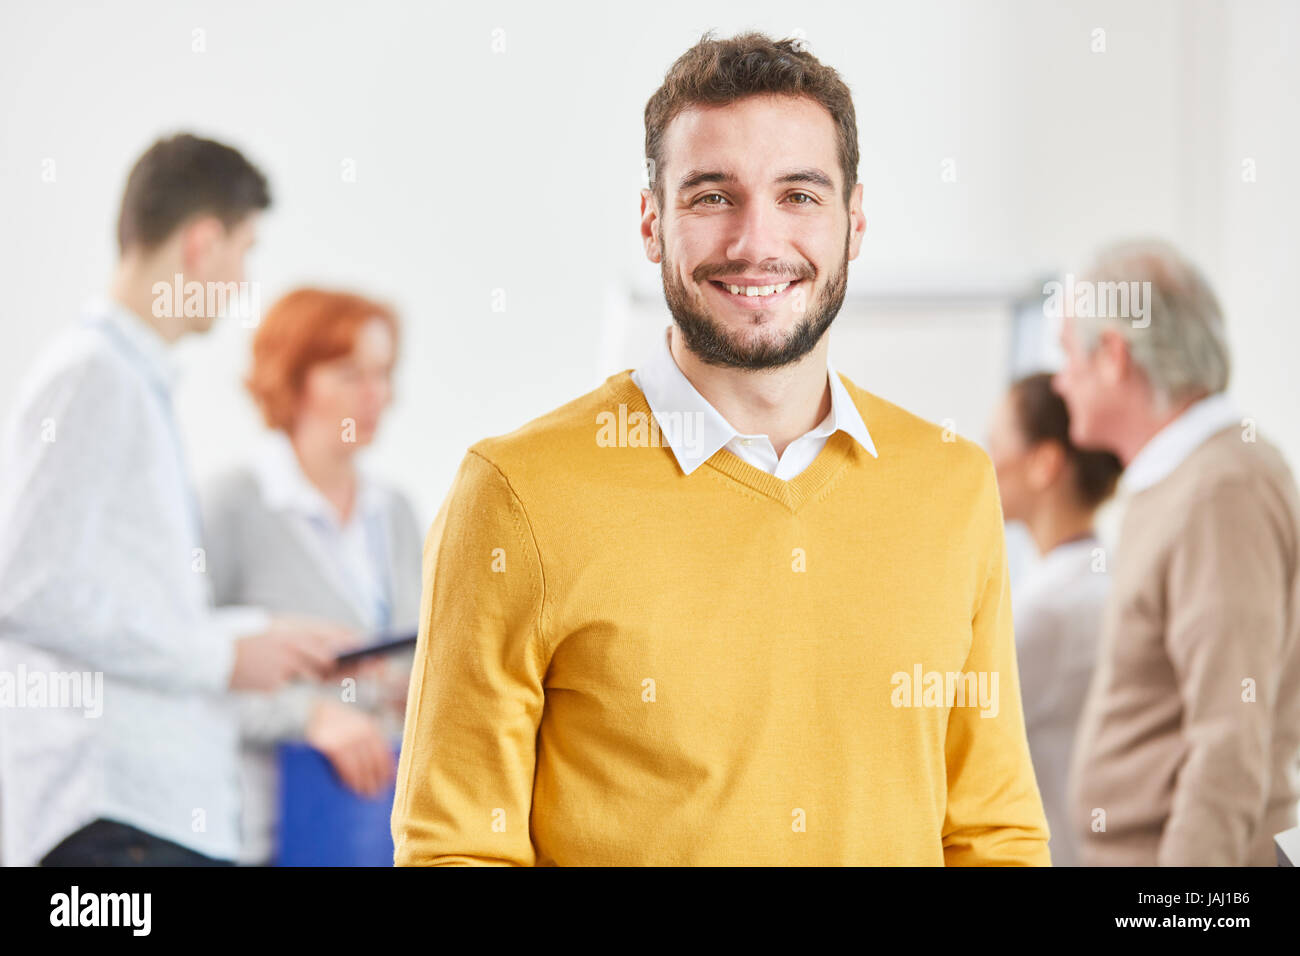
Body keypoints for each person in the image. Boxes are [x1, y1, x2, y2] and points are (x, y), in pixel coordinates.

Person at [392, 31, 1050, 866]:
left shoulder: (952, 484)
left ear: (854, 224)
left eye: (799, 195)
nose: (755, 242)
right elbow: (455, 846)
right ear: (651, 222)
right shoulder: (515, 492)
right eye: (712, 196)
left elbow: (994, 834)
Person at [0, 133, 354, 867]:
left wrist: (260, 636)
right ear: (202, 244)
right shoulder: (93, 374)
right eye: (245, 250)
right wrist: (221, 655)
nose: (243, 277)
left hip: (150, 818)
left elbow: (115, 596)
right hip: (118, 820)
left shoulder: (129, 381)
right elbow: (32, 588)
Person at [1054, 239, 1300, 866]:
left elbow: (1229, 738)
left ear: (1112, 355)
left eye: (1065, 354)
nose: (1059, 381)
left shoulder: (1221, 488)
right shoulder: (1182, 479)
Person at [201, 288, 423, 865]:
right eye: (352, 374)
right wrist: (310, 715)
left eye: (384, 373)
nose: (378, 396)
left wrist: (406, 689)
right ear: (293, 380)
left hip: (372, 826)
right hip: (266, 830)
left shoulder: (394, 512)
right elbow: (190, 667)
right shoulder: (234, 505)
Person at [987, 372, 1122, 866]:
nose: (984, 462)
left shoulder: (1047, 613)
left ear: (1044, 463)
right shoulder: (1102, 582)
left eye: (994, 444)